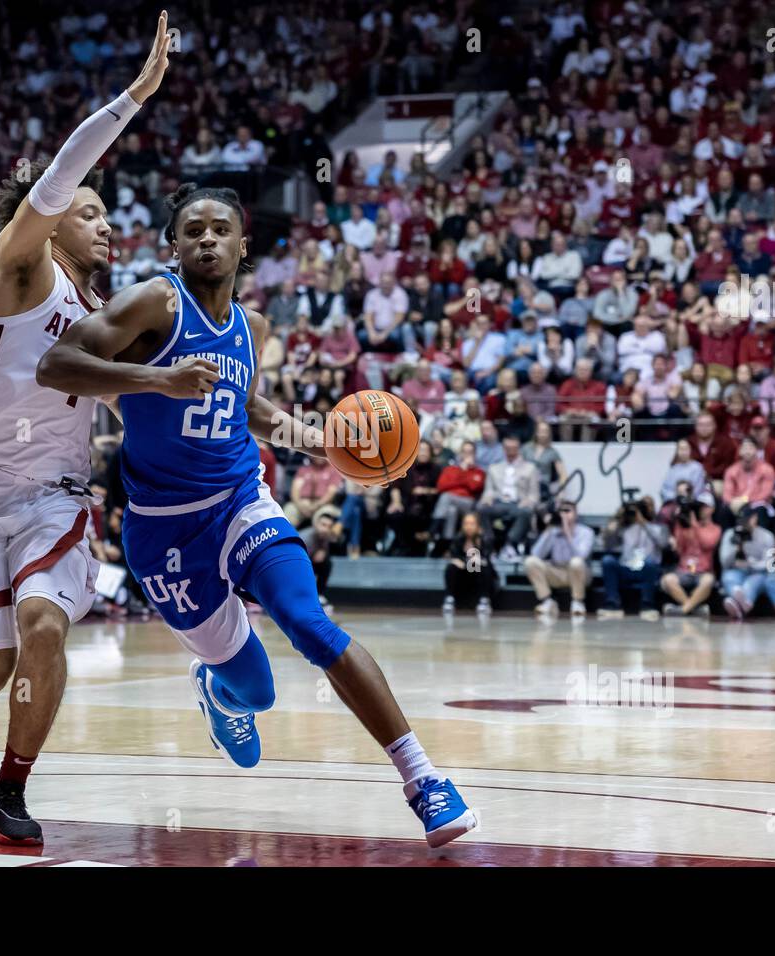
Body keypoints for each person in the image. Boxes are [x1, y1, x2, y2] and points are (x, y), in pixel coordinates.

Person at [36, 175, 478, 846]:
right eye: (193, 231)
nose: (207, 238)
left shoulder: (254, 326)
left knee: (307, 621)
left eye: (220, 230)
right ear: (173, 246)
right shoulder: (154, 302)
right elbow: (56, 364)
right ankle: (219, 692)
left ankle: (425, 783)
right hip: (164, 532)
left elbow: (242, 405)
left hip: (242, 499)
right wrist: (157, 378)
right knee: (258, 690)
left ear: (245, 245)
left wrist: (315, 439)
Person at [0, 21, 172, 846]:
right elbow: (58, 175)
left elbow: (137, 406)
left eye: (109, 216)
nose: (105, 225)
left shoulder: (108, 321)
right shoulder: (22, 269)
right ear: (48, 224)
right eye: (90, 212)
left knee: (43, 628)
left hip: (55, 499)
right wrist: (135, 95)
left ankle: (6, 790)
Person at [598, 496, 668, 621]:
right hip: (627, 568)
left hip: (648, 570)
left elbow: (663, 543)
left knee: (650, 563)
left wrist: (644, 523)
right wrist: (616, 522)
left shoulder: (660, 527)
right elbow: (608, 546)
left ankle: (647, 605)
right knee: (608, 561)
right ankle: (612, 604)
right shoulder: (624, 528)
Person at [525, 499, 594, 620]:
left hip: (578, 574)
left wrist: (568, 533)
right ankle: (547, 601)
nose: (564, 514)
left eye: (568, 511)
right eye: (561, 511)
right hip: (556, 571)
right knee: (530, 562)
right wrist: (548, 529)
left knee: (576, 562)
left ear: (576, 514)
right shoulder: (553, 531)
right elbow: (536, 554)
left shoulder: (586, 532)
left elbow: (581, 556)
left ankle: (578, 602)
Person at [477, 435, 540, 562]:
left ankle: (510, 544)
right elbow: (488, 490)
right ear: (503, 449)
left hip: (518, 504)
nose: (510, 451)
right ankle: (489, 543)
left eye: (514, 448)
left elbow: (534, 495)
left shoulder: (530, 468)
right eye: (508, 448)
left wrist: (529, 501)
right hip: (498, 503)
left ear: (519, 449)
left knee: (527, 511)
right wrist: (487, 498)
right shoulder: (494, 468)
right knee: (481, 508)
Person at [660, 499, 720, 617]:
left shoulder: (715, 529)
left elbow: (707, 543)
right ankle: (692, 609)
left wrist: (695, 525)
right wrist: (679, 523)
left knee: (708, 581)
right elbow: (679, 549)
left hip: (703, 571)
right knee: (667, 579)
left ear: (711, 509)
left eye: (704, 507)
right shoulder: (686, 528)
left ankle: (682, 610)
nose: (701, 511)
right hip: (684, 570)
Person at [720, 505, 775, 620]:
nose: (744, 523)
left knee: (751, 583)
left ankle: (737, 602)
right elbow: (724, 563)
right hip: (736, 570)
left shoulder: (768, 536)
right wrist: (736, 548)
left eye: (747, 519)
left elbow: (773, 565)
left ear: (755, 518)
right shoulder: (729, 534)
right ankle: (741, 602)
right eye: (741, 520)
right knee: (729, 577)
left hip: (758, 574)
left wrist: (752, 564)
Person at [431, 440, 486, 550]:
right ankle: (448, 543)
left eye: (470, 452)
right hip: (451, 503)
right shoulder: (450, 469)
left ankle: (434, 528)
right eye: (464, 452)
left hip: (469, 504)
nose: (467, 455)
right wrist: (462, 476)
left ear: (474, 454)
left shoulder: (479, 472)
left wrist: (464, 472)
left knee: (446, 497)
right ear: (460, 454)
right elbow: (441, 487)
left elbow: (474, 487)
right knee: (451, 510)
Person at [442, 511, 496, 615]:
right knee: (451, 567)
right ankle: (449, 598)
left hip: (478, 573)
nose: (469, 527)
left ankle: (484, 599)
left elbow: (485, 558)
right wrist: (462, 561)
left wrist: (470, 559)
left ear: (477, 525)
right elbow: (455, 556)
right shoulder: (458, 539)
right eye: (466, 523)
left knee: (482, 566)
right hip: (463, 574)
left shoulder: (485, 538)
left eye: (472, 524)